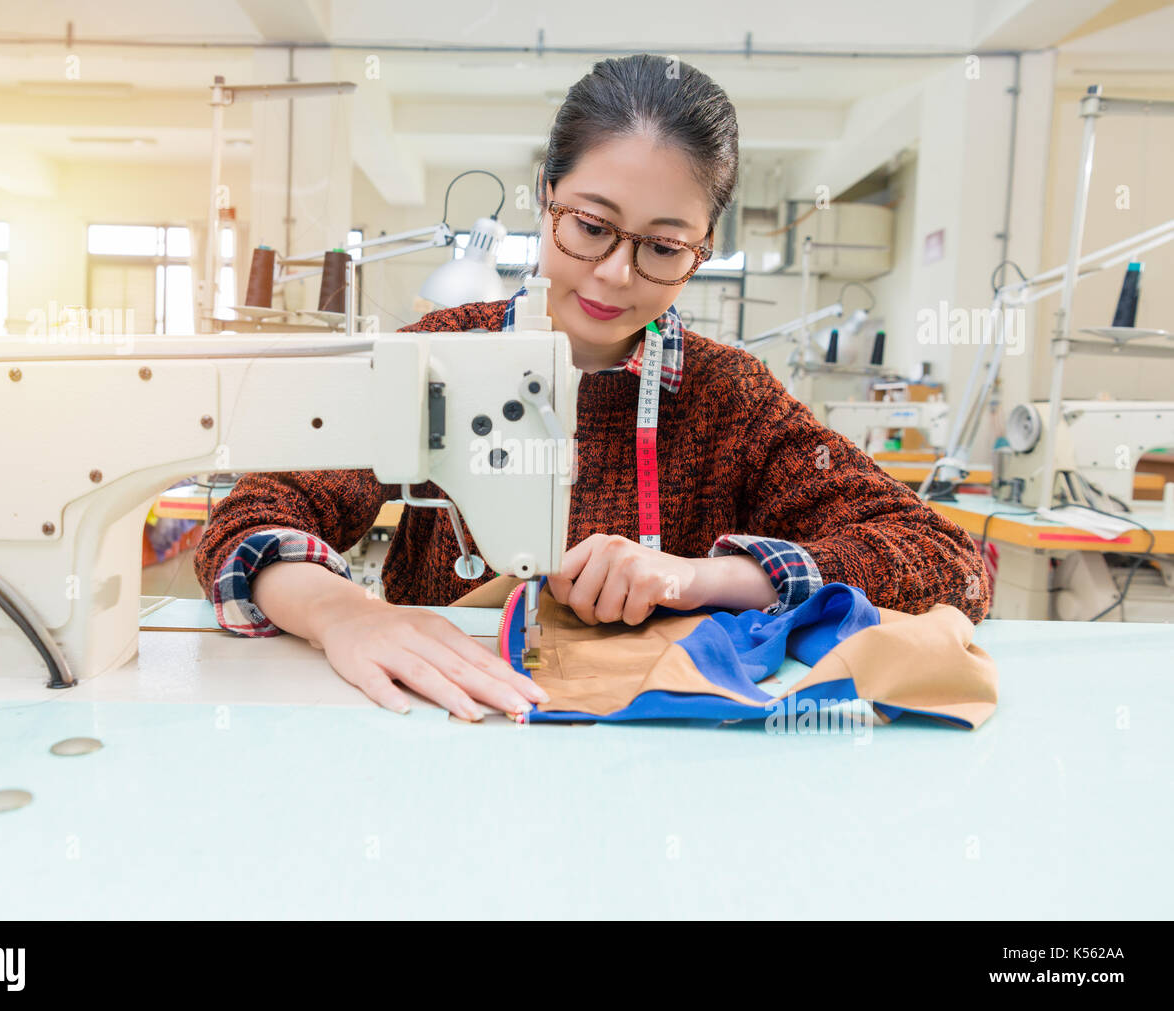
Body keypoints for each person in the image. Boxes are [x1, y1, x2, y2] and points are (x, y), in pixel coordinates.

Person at [195, 53, 990, 723]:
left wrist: (702, 575)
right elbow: (249, 518)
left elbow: (950, 565)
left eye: (663, 247)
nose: (615, 274)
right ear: (547, 194)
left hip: (661, 751)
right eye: (590, 225)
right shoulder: (443, 353)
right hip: (448, 726)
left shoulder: (730, 399)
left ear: (703, 249)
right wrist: (344, 615)